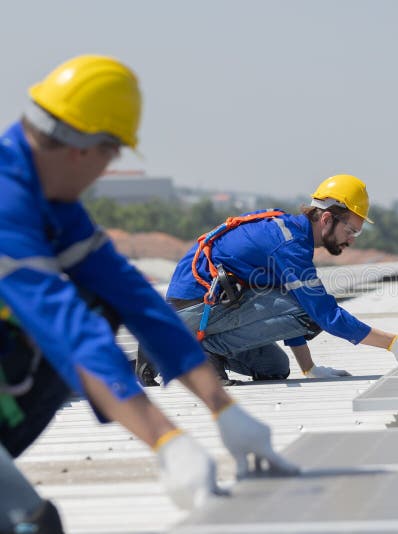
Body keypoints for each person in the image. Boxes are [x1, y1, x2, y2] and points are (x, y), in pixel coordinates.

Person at [0, 55, 298, 533]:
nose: (106, 170)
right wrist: (166, 441)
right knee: (28, 525)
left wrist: (223, 410)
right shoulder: (6, 201)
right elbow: (66, 329)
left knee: (100, 298)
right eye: (111, 154)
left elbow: (132, 295)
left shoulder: (48, 195)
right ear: (84, 149)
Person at [138, 174, 398, 386]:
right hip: (190, 313)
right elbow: (321, 313)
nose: (352, 240)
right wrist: (394, 344)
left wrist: (309, 369)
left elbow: (280, 297)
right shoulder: (289, 245)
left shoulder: (288, 235)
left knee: (274, 367)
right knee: (313, 308)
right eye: (351, 230)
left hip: (206, 312)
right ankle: (198, 350)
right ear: (327, 219)